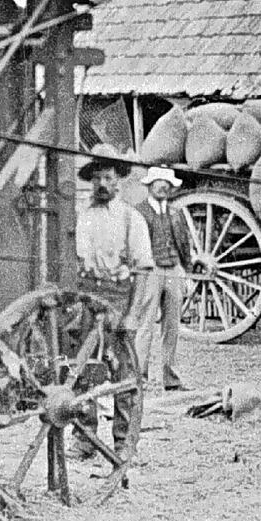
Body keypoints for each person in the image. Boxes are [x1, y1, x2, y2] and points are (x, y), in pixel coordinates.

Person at [74, 144, 153, 460]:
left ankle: (124, 441)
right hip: (88, 299)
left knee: (123, 375)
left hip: (119, 298)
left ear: (118, 181)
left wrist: (133, 315)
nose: (102, 185)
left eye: (107, 177)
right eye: (96, 179)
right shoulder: (82, 216)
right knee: (81, 370)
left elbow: (144, 269)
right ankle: (84, 437)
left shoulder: (131, 219)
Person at [134, 166, 192, 391]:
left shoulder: (177, 213)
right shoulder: (139, 211)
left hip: (174, 268)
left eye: (166, 183)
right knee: (145, 324)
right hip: (150, 270)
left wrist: (185, 272)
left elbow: (184, 244)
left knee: (172, 325)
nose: (163, 186)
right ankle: (140, 377)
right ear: (149, 185)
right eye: (158, 182)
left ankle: (171, 378)